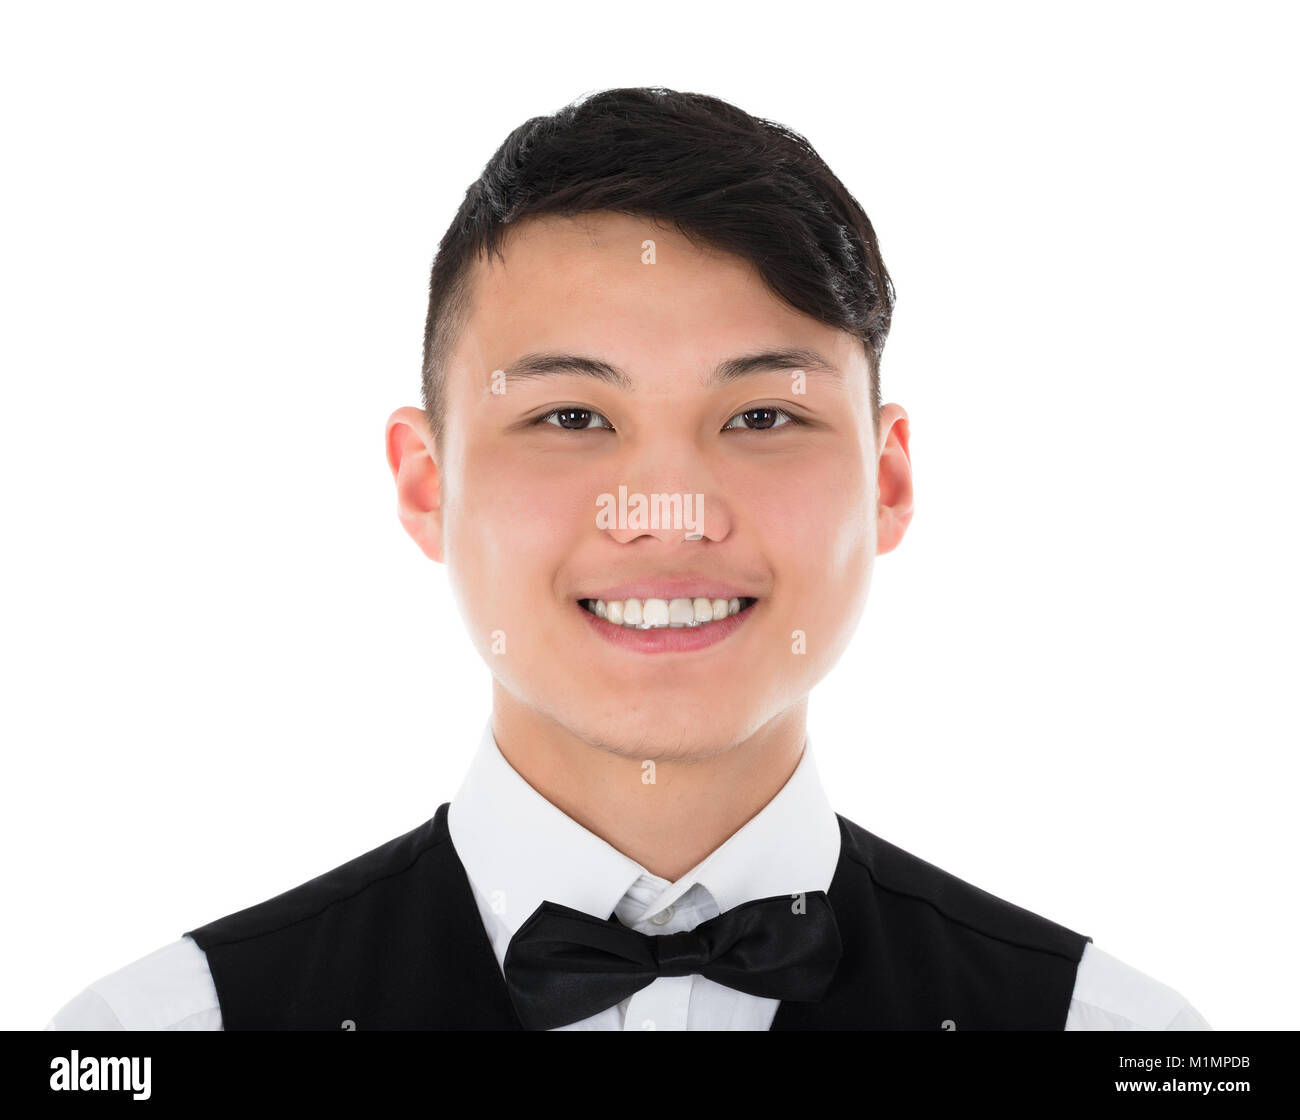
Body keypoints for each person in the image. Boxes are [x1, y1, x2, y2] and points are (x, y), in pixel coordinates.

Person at [46, 86, 1210, 1031]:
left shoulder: (1115, 1037)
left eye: (760, 417)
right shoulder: (156, 1034)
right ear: (426, 482)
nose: (667, 513)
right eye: (569, 419)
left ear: (885, 477)